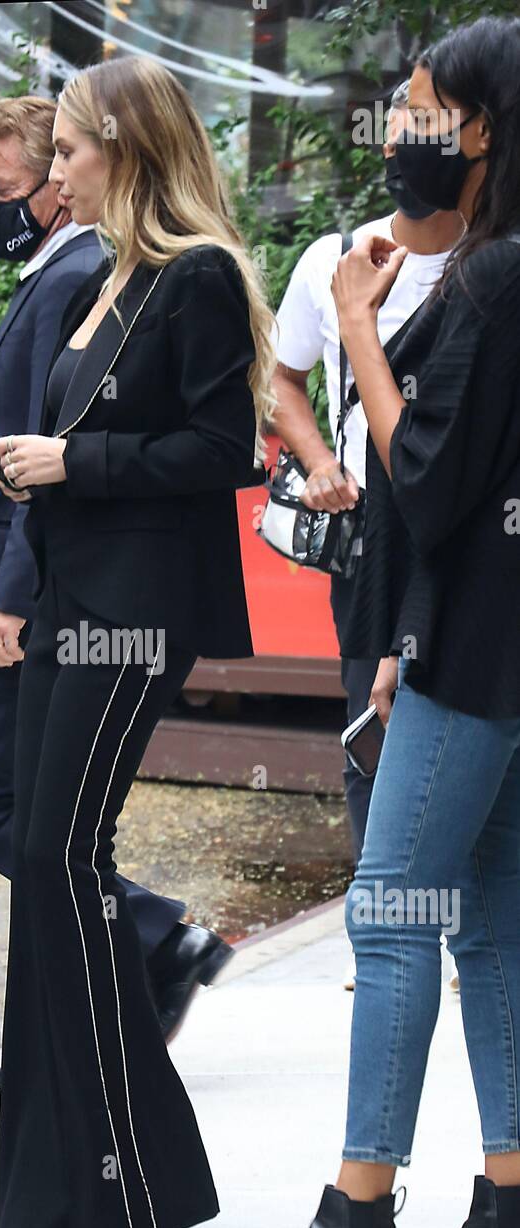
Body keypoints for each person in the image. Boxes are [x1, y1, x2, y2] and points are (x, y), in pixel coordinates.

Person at [208, 15, 520, 1228]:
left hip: (476, 658)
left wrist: (356, 325)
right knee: (493, 929)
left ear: (480, 130)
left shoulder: (495, 282)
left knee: (392, 912)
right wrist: (398, 635)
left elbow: (431, 480)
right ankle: (506, 1206)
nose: (397, 125)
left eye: (415, 104)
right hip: (476, 644)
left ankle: (357, 1220)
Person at [0, 53, 275, 1228]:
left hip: (135, 611)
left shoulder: (195, 276)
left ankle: (138, 1175)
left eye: (66, 150)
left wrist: (75, 462)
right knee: (34, 851)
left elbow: (225, 449)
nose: (53, 176)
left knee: (61, 856)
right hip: (71, 599)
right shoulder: (108, 278)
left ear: (127, 147)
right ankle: (60, 1174)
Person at [0, 97, 234, 1092]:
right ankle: (105, 1002)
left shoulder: (145, 278)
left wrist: (13, 591)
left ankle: (142, 965)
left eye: (49, 163)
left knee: (25, 822)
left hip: (82, 601)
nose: (39, 187)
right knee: (36, 827)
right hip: (61, 592)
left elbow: (201, 449)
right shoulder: (84, 281)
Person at [272, 79, 459, 878]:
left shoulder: (491, 265)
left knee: (466, 729)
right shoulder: (334, 257)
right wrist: (317, 462)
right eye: (389, 134)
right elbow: (280, 380)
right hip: (371, 540)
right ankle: (379, 912)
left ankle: (458, 922)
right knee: (369, 731)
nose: (395, 149)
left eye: (414, 128)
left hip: (465, 531)